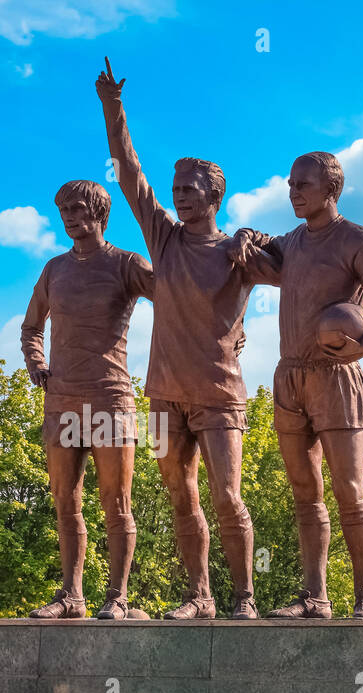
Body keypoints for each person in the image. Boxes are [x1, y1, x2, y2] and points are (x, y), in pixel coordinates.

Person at [97, 58, 266, 619]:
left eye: (191, 189)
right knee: (180, 497)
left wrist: (257, 233)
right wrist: (112, 106)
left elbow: (311, 266)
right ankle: (202, 597)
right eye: (176, 189)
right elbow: (127, 170)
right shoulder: (163, 239)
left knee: (227, 498)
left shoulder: (239, 252)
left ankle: (244, 597)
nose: (180, 196)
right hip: (163, 395)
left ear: (215, 195)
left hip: (219, 395)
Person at [229, 151, 363, 618]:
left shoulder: (356, 238)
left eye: (303, 185)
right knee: (304, 490)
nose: (294, 192)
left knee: (349, 488)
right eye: (290, 185)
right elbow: (265, 242)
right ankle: (315, 597)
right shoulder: (293, 241)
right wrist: (246, 233)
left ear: (331, 190)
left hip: (336, 376)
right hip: (289, 375)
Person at [22, 179, 154, 619]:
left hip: (111, 399)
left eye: (76, 208)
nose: (68, 217)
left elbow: (181, 300)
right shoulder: (54, 269)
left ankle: (118, 596)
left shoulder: (126, 263)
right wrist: (36, 362)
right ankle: (71, 596)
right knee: (65, 501)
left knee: (116, 503)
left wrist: (231, 328)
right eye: (63, 211)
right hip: (61, 401)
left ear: (99, 212)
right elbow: (31, 327)